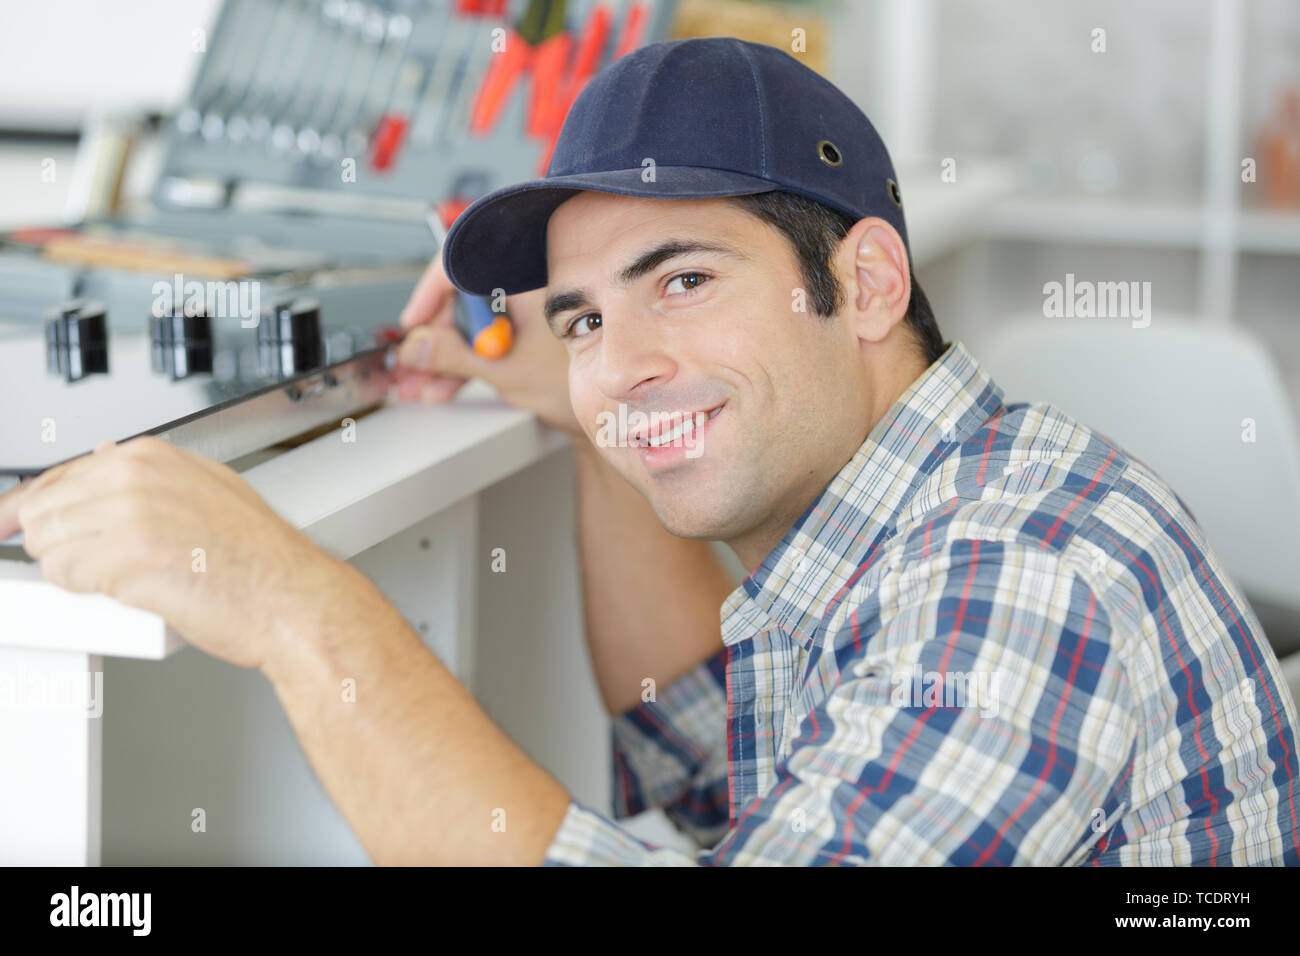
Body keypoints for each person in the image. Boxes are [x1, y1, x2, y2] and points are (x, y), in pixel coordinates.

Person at [2, 37, 1297, 865]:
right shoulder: (912, 507)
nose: (615, 360)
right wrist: (596, 417)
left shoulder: (1014, 581)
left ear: (870, 280)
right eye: (581, 316)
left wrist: (291, 606)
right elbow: (703, 770)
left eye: (680, 279)